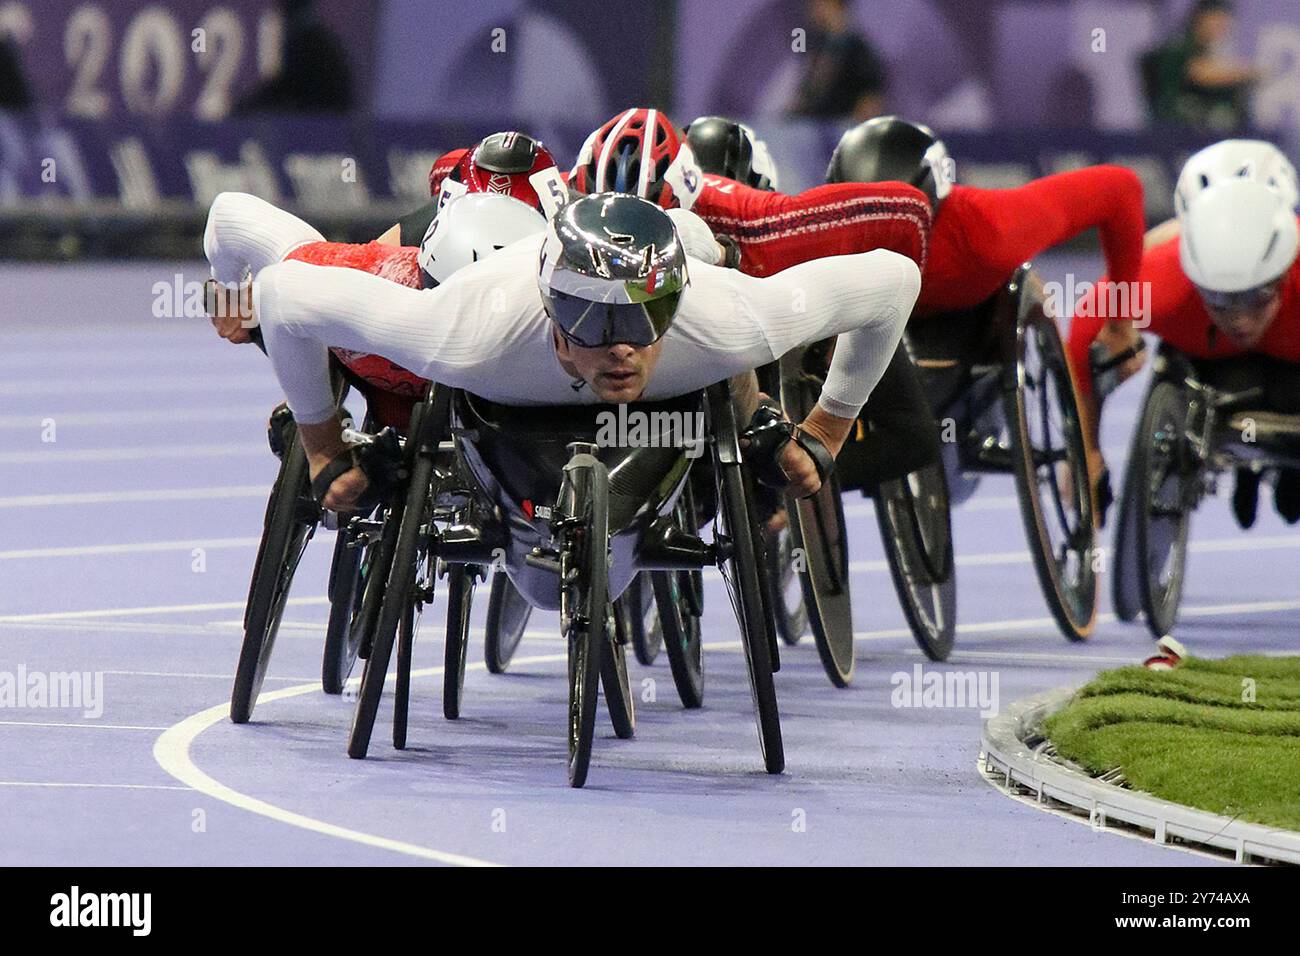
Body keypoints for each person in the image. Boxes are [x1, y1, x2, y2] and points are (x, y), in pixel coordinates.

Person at [208, 191, 920, 512]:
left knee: (708, 269)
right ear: (553, 316)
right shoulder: (463, 333)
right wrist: (325, 442)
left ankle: (752, 405)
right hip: (493, 281)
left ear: (670, 309)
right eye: (593, 325)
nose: (620, 351)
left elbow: (894, 279)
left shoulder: (727, 320)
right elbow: (278, 293)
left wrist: (825, 430)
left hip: (685, 270)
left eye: (642, 324)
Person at [571, 109, 939, 490]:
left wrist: (835, 360)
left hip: (749, 287)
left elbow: (907, 213)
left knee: (909, 433)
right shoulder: (556, 210)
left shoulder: (758, 225)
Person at [1070, 147, 1300, 528]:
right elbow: (1081, 344)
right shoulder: (1162, 283)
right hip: (1208, 363)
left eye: (1257, 297)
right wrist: (1086, 452)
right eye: (1221, 301)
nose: (1240, 320)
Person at [1140, 0, 1256, 132]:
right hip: (1177, 124)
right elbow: (1200, 73)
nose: (1222, 25)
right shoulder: (1181, 47)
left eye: (1225, 20)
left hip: (1203, 125)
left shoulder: (1209, 49)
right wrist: (1245, 73)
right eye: (1216, 20)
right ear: (1200, 19)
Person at [235, 0, 353, 114]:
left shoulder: (311, 43)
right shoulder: (310, 39)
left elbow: (288, 86)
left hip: (322, 121)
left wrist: (249, 105)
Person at [787, 0, 886, 121]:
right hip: (814, 126)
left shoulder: (858, 49)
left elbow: (870, 100)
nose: (814, 12)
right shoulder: (817, 46)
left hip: (840, 129)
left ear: (835, 6)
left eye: (820, 5)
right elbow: (809, 93)